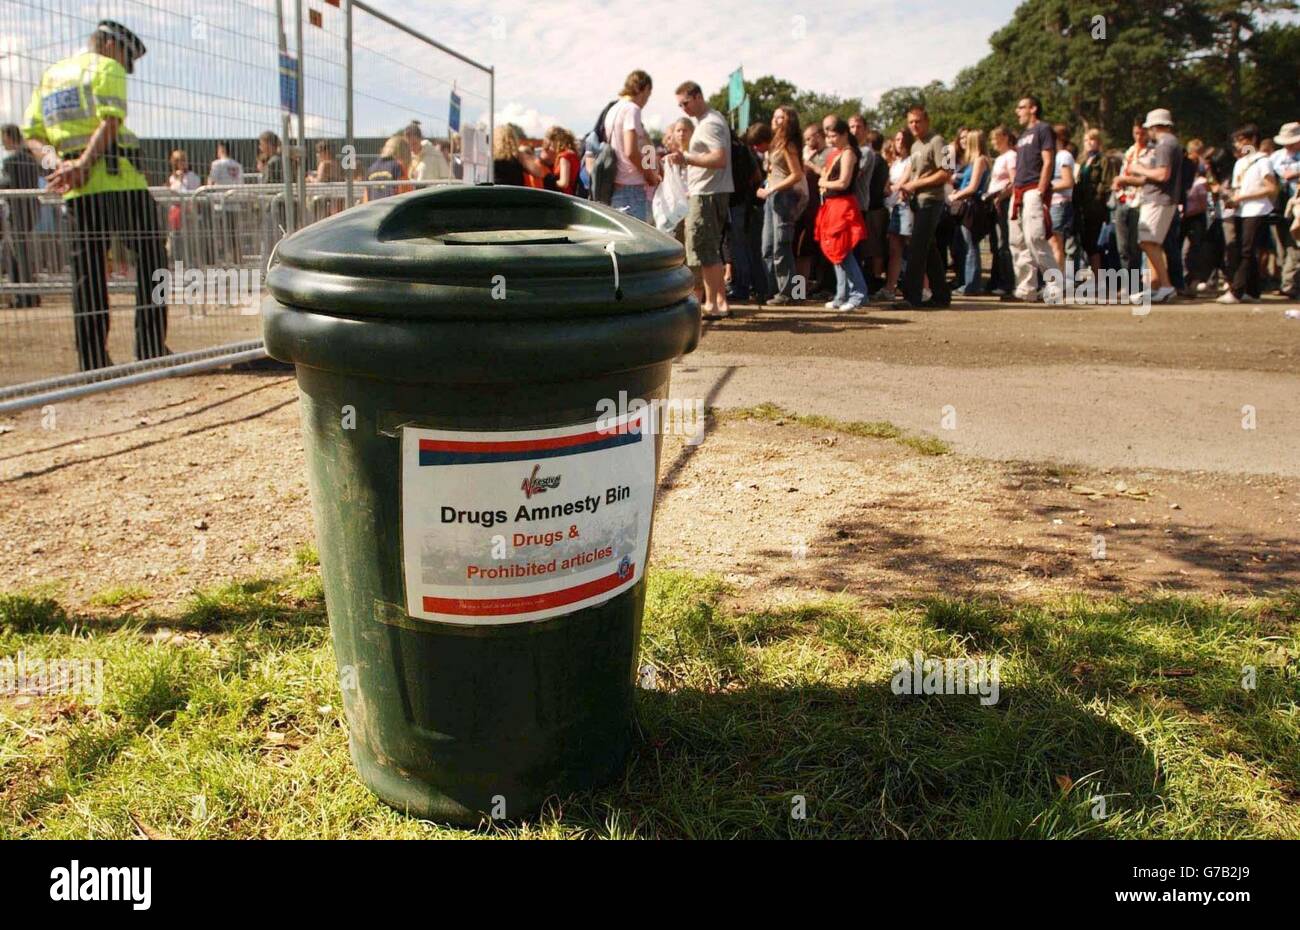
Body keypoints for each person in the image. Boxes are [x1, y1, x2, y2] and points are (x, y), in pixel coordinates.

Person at [22, 19, 166, 370]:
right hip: (121, 184)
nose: (124, 67)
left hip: (77, 191)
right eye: (125, 59)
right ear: (113, 47)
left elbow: (31, 134)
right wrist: (85, 163)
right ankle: (149, 348)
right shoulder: (106, 67)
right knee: (151, 259)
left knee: (86, 272)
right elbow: (111, 120)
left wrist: (61, 165)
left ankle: (93, 361)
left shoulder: (51, 76)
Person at [667, 80, 733, 320]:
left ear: (697, 97)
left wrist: (686, 158)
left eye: (684, 102)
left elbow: (720, 158)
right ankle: (718, 303)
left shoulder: (710, 123)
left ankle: (713, 305)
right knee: (709, 249)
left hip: (707, 193)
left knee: (704, 250)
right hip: (708, 192)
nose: (683, 108)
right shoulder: (707, 121)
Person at [1114, 108, 1182, 304]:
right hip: (1161, 198)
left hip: (1158, 199)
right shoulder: (1171, 143)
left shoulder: (1164, 144)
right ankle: (1158, 284)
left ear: (1154, 126)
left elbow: (1162, 174)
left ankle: (1166, 285)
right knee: (1152, 243)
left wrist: (1137, 169)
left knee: (1147, 241)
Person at [895, 105, 952, 308]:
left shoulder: (939, 141)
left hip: (932, 201)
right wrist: (905, 186)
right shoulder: (915, 146)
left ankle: (911, 297)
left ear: (927, 121)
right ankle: (941, 295)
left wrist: (914, 184)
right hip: (917, 202)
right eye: (910, 122)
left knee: (917, 249)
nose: (914, 125)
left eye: (918, 121)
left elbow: (947, 173)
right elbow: (915, 172)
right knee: (929, 250)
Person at [1217, 123, 1278, 304]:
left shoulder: (1263, 161)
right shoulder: (1240, 163)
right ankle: (1252, 291)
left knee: (1247, 250)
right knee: (1243, 251)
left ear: (1252, 140)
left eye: (1241, 140)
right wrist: (1233, 200)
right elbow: (1238, 188)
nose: (1237, 145)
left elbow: (1271, 188)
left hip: (1258, 209)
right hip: (1242, 210)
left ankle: (1236, 290)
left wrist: (1244, 196)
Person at [1007, 95, 1060, 303]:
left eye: (1021, 107)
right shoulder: (1022, 136)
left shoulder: (1043, 129)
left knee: (1035, 237)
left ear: (1033, 109)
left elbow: (1048, 161)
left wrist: (1041, 190)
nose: (1017, 111)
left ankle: (1055, 284)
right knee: (1017, 242)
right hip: (1018, 191)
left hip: (1033, 189)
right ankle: (1026, 289)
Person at [814, 117, 869, 309]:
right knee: (836, 252)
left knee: (843, 252)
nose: (831, 140)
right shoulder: (838, 153)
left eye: (834, 135)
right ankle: (842, 294)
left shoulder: (848, 154)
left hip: (843, 206)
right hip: (832, 206)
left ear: (844, 134)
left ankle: (858, 294)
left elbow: (843, 183)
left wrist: (823, 183)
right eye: (828, 136)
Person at [757, 105, 807, 306]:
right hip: (773, 197)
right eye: (775, 116)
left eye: (781, 118)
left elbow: (797, 174)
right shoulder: (776, 143)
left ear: (789, 121)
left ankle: (790, 293)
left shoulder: (788, 144)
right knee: (768, 248)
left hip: (784, 197)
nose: (776, 120)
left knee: (782, 247)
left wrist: (772, 188)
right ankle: (777, 290)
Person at [604, 70, 659, 221]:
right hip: (632, 188)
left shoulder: (613, 110)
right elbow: (630, 151)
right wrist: (649, 174)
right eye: (649, 93)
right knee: (640, 243)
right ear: (645, 88)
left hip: (617, 185)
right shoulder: (632, 109)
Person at [1, 123, 42, 307]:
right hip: (32, 209)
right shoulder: (31, 159)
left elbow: (6, 184)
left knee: (18, 254)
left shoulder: (11, 162)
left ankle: (24, 296)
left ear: (9, 136)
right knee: (22, 253)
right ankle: (28, 295)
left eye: (3, 137)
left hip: (17, 211)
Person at [949, 130, 991, 296]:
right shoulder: (973, 161)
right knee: (963, 245)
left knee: (970, 246)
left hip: (971, 206)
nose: (963, 142)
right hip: (966, 205)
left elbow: (973, 187)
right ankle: (965, 281)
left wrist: (955, 195)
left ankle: (971, 285)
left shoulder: (980, 160)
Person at [878, 129, 914, 301]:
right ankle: (890, 287)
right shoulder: (895, 162)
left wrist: (893, 187)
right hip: (894, 207)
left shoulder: (911, 160)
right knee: (894, 249)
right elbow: (887, 185)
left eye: (902, 139)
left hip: (906, 206)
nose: (899, 142)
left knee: (912, 247)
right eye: (896, 139)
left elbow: (902, 182)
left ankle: (923, 286)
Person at [1073, 128, 1112, 282]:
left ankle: (1098, 279)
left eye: (1092, 139)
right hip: (1083, 207)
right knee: (1086, 242)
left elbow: (1107, 183)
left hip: (1096, 208)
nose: (1089, 143)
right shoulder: (1082, 161)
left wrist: (1098, 198)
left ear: (1099, 142)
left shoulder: (1103, 160)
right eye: (1086, 140)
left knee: (1094, 243)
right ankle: (1094, 277)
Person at [1111, 118, 1147, 277]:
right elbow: (1123, 173)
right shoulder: (1130, 151)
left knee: (1135, 246)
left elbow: (1146, 179)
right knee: (1122, 247)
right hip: (1123, 199)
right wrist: (1118, 183)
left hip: (1139, 201)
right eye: (1136, 133)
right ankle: (1127, 281)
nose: (1138, 137)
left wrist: (1125, 180)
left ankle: (1135, 283)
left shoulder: (1150, 153)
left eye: (1141, 133)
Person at [985, 125, 1017, 296]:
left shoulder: (1011, 156)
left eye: (994, 138)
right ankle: (999, 279)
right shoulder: (1000, 158)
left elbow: (1014, 181)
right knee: (997, 243)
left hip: (1003, 202)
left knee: (1004, 242)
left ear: (1004, 137)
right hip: (996, 202)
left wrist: (1001, 196)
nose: (993, 142)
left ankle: (1008, 282)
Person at [1270, 121, 1300, 298]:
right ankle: (1287, 282)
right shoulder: (1275, 157)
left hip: (1298, 208)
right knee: (1281, 247)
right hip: (1280, 208)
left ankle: (1290, 284)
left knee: (1296, 246)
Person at [208, 140, 244, 264]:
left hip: (220, 205)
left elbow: (211, 183)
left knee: (222, 235)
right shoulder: (238, 165)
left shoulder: (216, 164)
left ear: (222, 149)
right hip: (235, 204)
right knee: (234, 235)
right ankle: (237, 260)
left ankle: (227, 262)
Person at [1048, 124, 1076, 275]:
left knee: (1056, 244)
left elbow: (1068, 181)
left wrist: (1047, 188)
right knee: (1052, 242)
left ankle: (1057, 281)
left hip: (1059, 203)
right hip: (1052, 203)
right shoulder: (1055, 156)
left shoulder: (1064, 156)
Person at [166, 149, 200, 264]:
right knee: (175, 239)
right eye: (178, 161)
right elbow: (173, 193)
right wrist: (178, 180)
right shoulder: (172, 178)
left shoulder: (192, 176)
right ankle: (177, 263)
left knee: (189, 239)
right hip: (176, 213)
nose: (182, 163)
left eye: (183, 160)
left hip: (188, 211)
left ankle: (190, 262)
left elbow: (192, 192)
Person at [367, 134, 413, 199]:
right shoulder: (398, 166)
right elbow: (406, 194)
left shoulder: (371, 169)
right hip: (393, 207)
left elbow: (366, 197)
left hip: (373, 208)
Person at [542, 126, 580, 195]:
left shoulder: (564, 156)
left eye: (550, 143)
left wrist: (550, 182)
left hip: (565, 197)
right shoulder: (572, 154)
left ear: (556, 141)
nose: (550, 147)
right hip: (572, 194)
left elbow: (564, 183)